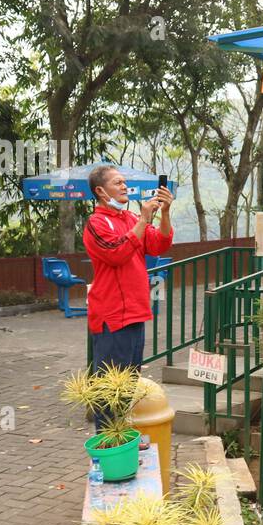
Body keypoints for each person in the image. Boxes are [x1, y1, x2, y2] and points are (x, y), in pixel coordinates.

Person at [82, 165, 174, 395]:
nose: (124, 186)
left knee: (129, 386)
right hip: (112, 316)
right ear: (102, 192)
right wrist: (143, 220)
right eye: (118, 182)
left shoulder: (131, 217)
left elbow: (159, 244)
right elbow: (116, 253)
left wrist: (164, 212)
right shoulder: (96, 223)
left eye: (124, 182)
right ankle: (108, 431)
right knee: (110, 390)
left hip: (136, 312)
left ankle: (122, 429)